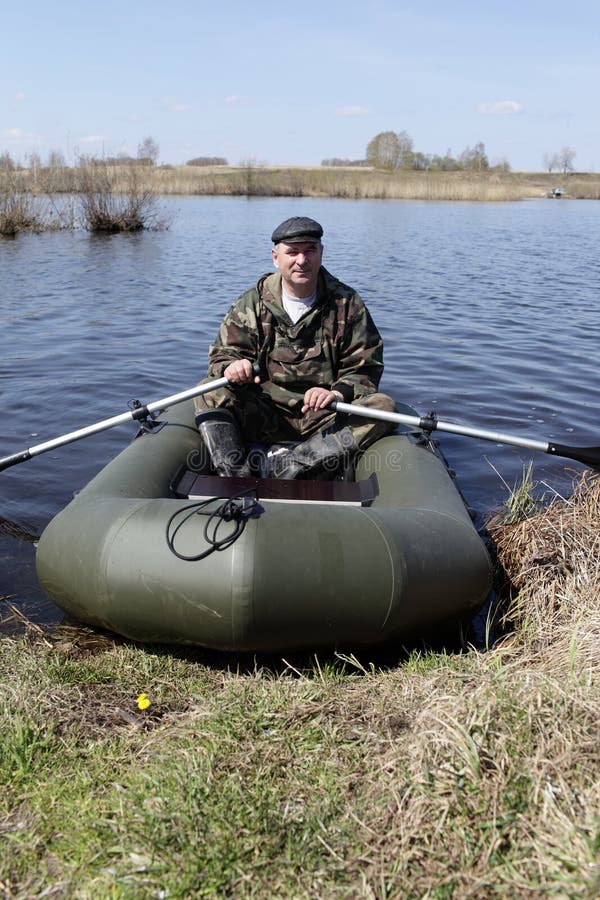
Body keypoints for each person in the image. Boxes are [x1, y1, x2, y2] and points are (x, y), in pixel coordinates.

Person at [194, 216, 396, 479]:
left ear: (321, 253)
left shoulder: (347, 303)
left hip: (324, 419)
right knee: (207, 392)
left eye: (310, 250)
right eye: (293, 252)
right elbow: (222, 355)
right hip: (266, 414)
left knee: (384, 406)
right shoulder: (252, 303)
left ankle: (293, 465)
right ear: (276, 258)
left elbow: (365, 367)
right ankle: (234, 475)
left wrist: (336, 394)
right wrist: (233, 366)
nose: (302, 260)